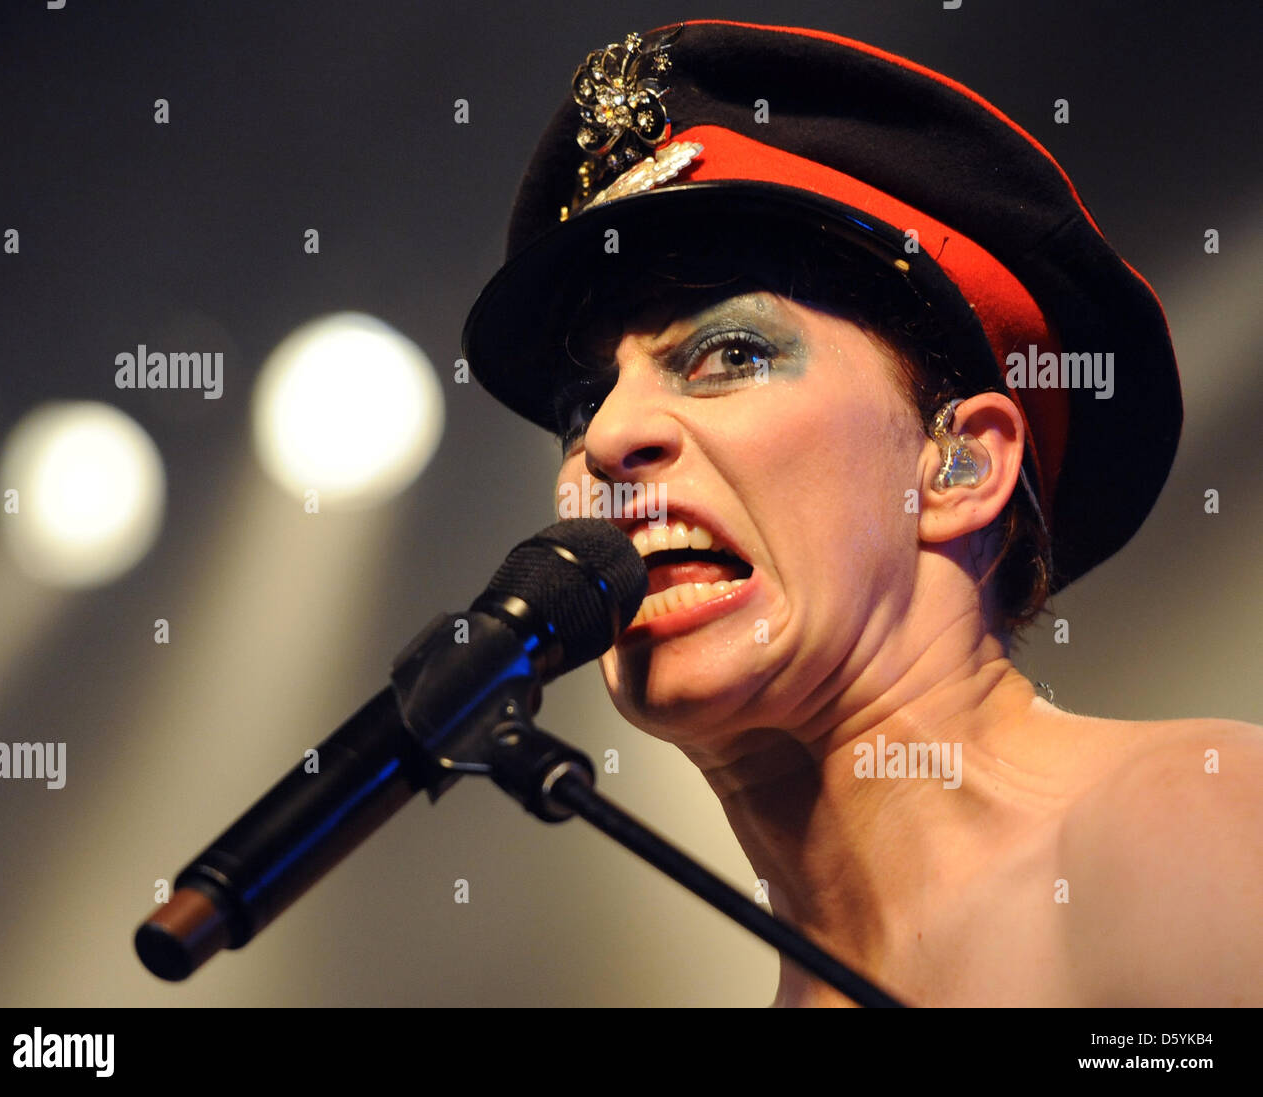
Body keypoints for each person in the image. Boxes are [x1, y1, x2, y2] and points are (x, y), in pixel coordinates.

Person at [461, 20, 1263, 1006]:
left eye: (730, 356)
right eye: (583, 403)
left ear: (958, 465)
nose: (610, 436)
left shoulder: (1186, 823)